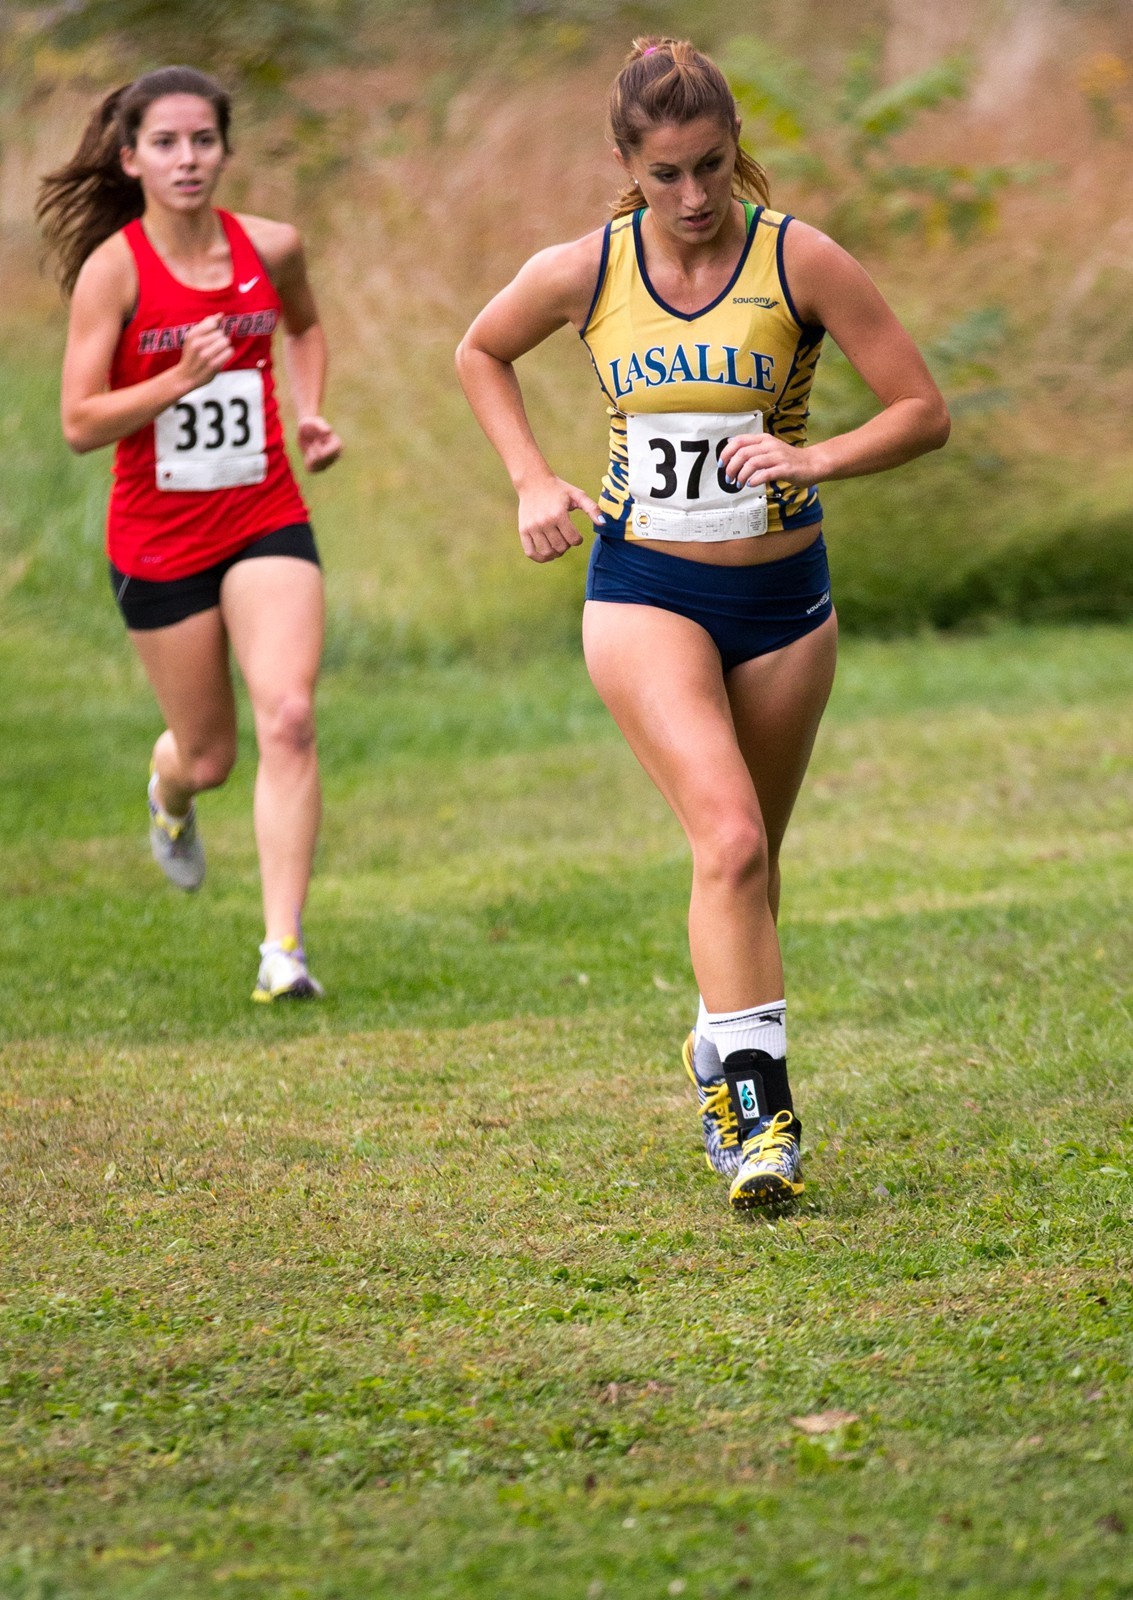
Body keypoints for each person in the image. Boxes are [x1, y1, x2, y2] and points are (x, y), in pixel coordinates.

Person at [456, 37, 949, 1209]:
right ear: (625, 165)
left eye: (711, 166)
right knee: (724, 838)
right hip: (644, 591)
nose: (691, 196)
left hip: (783, 606)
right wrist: (529, 479)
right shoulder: (585, 271)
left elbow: (921, 410)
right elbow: (479, 350)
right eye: (665, 173)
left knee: (751, 864)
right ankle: (759, 1121)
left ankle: (714, 1041)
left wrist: (816, 455)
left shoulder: (798, 259)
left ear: (736, 150)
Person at [38, 65, 341, 1002]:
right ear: (130, 158)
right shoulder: (115, 270)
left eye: (203, 140)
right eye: (165, 143)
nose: (187, 159)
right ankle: (168, 792)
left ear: (225, 150)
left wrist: (310, 410)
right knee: (208, 756)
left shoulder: (272, 246)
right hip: (158, 539)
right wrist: (178, 379)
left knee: (288, 716)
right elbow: (79, 422)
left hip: (263, 513)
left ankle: (282, 951)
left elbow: (305, 328)